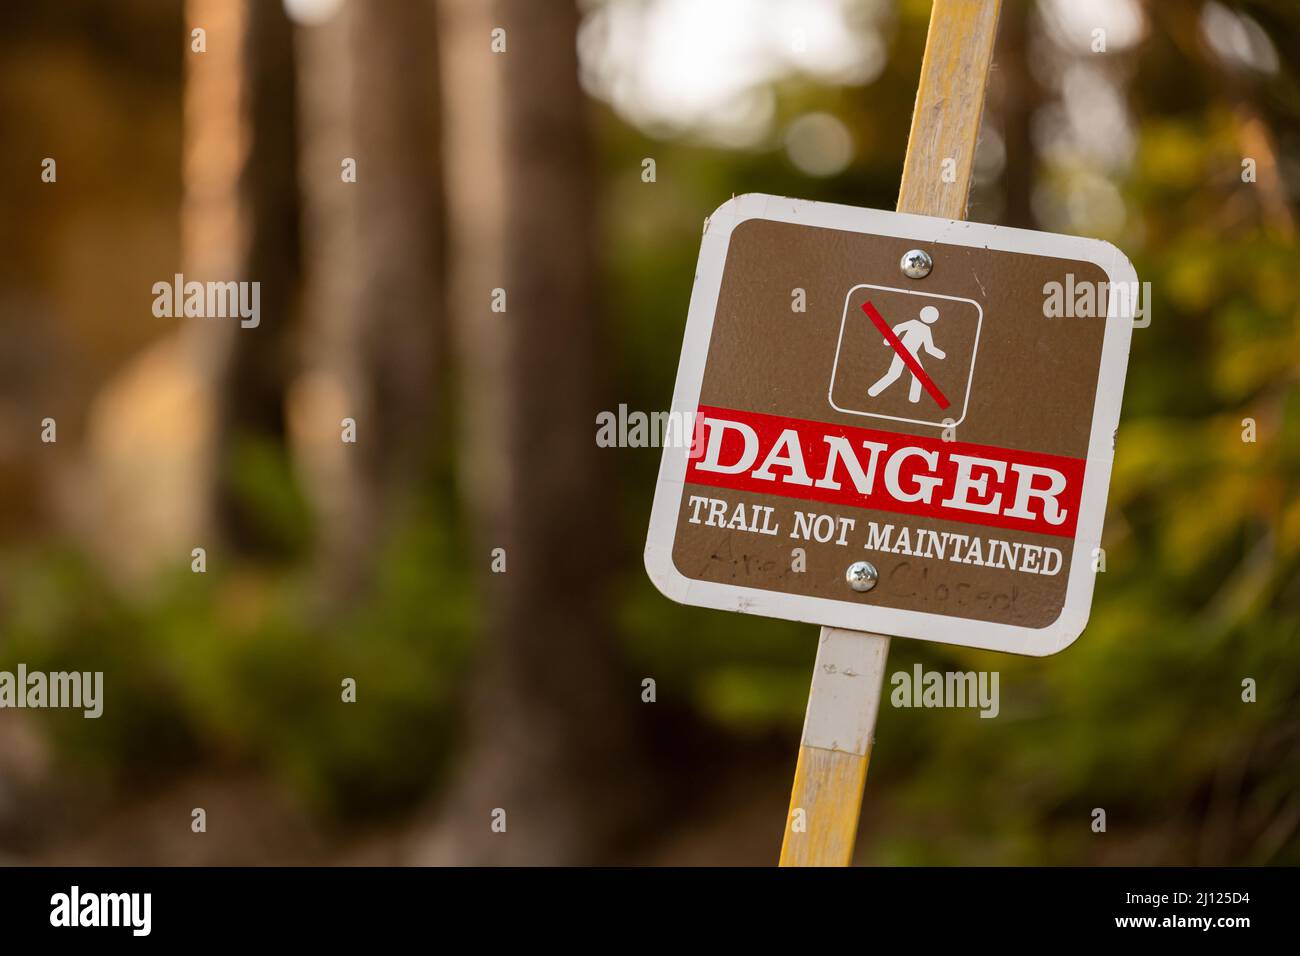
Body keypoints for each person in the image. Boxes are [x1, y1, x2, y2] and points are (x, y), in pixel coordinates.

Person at [867, 304, 945, 403]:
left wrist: (940, 354)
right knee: (898, 374)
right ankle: (873, 391)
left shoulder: (925, 329)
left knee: (906, 375)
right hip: (903, 351)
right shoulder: (914, 323)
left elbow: (929, 348)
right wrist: (888, 340)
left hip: (908, 352)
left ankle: (913, 399)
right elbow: (898, 327)